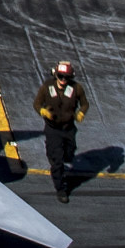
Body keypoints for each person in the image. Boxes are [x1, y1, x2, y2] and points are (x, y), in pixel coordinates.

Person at [33, 59, 90, 202]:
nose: (63, 80)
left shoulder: (76, 88)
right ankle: (61, 189)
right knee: (57, 161)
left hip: (69, 128)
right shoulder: (47, 87)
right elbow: (37, 104)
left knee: (69, 154)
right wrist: (43, 112)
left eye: (67, 77)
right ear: (56, 75)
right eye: (61, 76)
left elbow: (85, 103)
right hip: (53, 129)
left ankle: (59, 156)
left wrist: (81, 113)